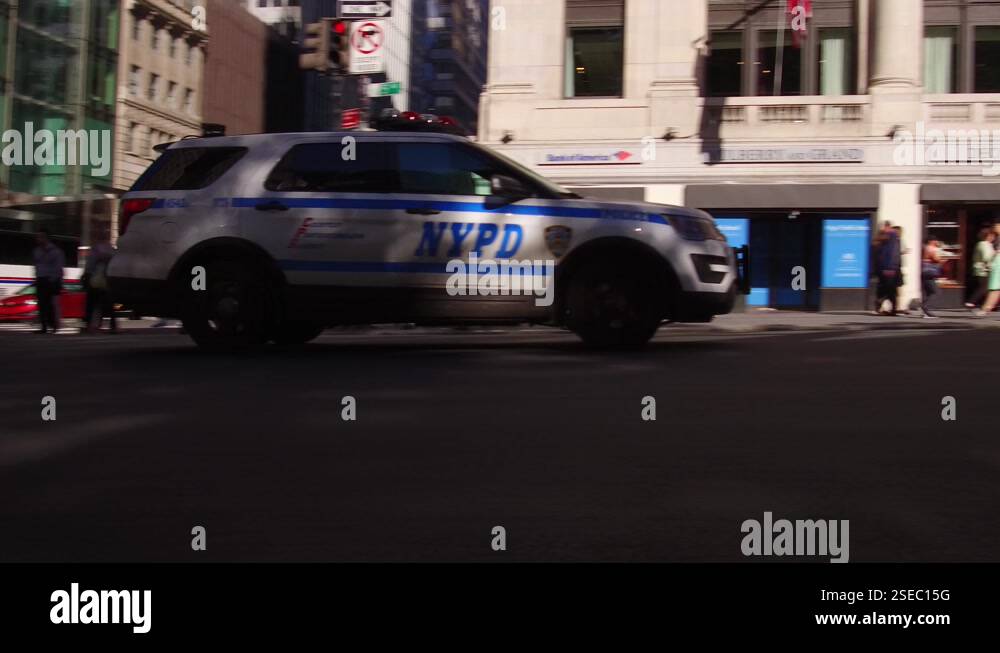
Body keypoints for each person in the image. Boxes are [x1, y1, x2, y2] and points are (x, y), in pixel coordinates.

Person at [80, 231, 118, 334]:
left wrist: (85, 275)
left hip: (96, 279)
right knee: (108, 303)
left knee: (91, 303)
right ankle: (113, 325)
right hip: (107, 279)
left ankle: (89, 325)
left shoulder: (96, 249)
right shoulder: (111, 249)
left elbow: (90, 264)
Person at [32, 228, 66, 334]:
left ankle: (54, 325)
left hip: (51, 280)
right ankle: (44, 326)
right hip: (41, 279)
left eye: (41, 236)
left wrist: (54, 280)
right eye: (37, 236)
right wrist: (36, 278)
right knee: (41, 303)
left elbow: (58, 267)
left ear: (46, 238)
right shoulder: (36, 251)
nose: (38, 239)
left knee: (51, 304)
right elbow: (36, 266)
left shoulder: (55, 251)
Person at [873, 222, 901, 315]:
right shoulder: (892, 236)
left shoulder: (882, 239)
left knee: (886, 288)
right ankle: (888, 307)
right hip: (890, 267)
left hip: (884, 267)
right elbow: (893, 254)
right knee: (890, 289)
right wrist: (893, 267)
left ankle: (885, 306)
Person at [966, 227, 996, 309]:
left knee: (986, 287)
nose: (993, 237)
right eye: (992, 235)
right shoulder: (983, 244)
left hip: (984, 269)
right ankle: (971, 302)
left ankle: (989, 305)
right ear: (988, 236)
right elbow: (986, 257)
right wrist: (995, 254)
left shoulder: (986, 244)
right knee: (985, 287)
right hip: (984, 269)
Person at [920, 238, 943, 318]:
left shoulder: (925, 247)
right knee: (935, 292)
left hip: (925, 272)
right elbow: (936, 258)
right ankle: (925, 307)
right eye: (935, 240)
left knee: (928, 292)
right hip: (929, 272)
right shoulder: (930, 248)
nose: (937, 241)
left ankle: (925, 313)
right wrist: (941, 260)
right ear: (931, 241)